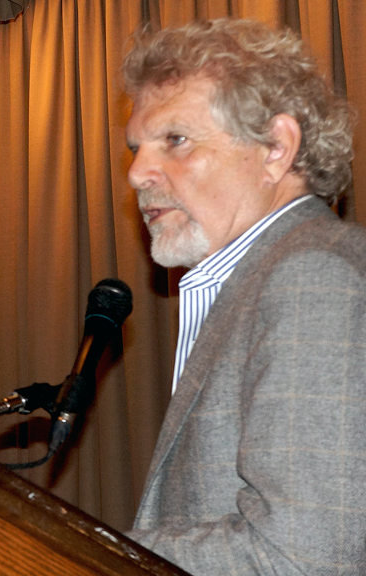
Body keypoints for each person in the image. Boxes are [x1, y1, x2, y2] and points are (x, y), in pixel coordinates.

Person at [122, 18, 366, 575]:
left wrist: (68, 555)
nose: (137, 172)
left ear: (276, 148)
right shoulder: (255, 282)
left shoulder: (312, 278)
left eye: (175, 140)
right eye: (136, 148)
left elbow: (305, 557)